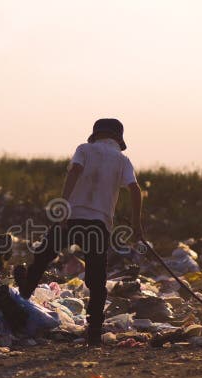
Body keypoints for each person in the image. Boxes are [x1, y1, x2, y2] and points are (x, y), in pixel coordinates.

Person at [14, 118, 144, 347]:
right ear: (118, 138)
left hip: (72, 217)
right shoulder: (123, 160)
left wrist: (63, 205)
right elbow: (135, 189)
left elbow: (74, 171)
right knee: (97, 278)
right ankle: (94, 331)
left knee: (44, 255)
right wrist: (136, 224)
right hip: (99, 223)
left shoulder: (84, 149)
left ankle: (24, 293)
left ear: (96, 134)